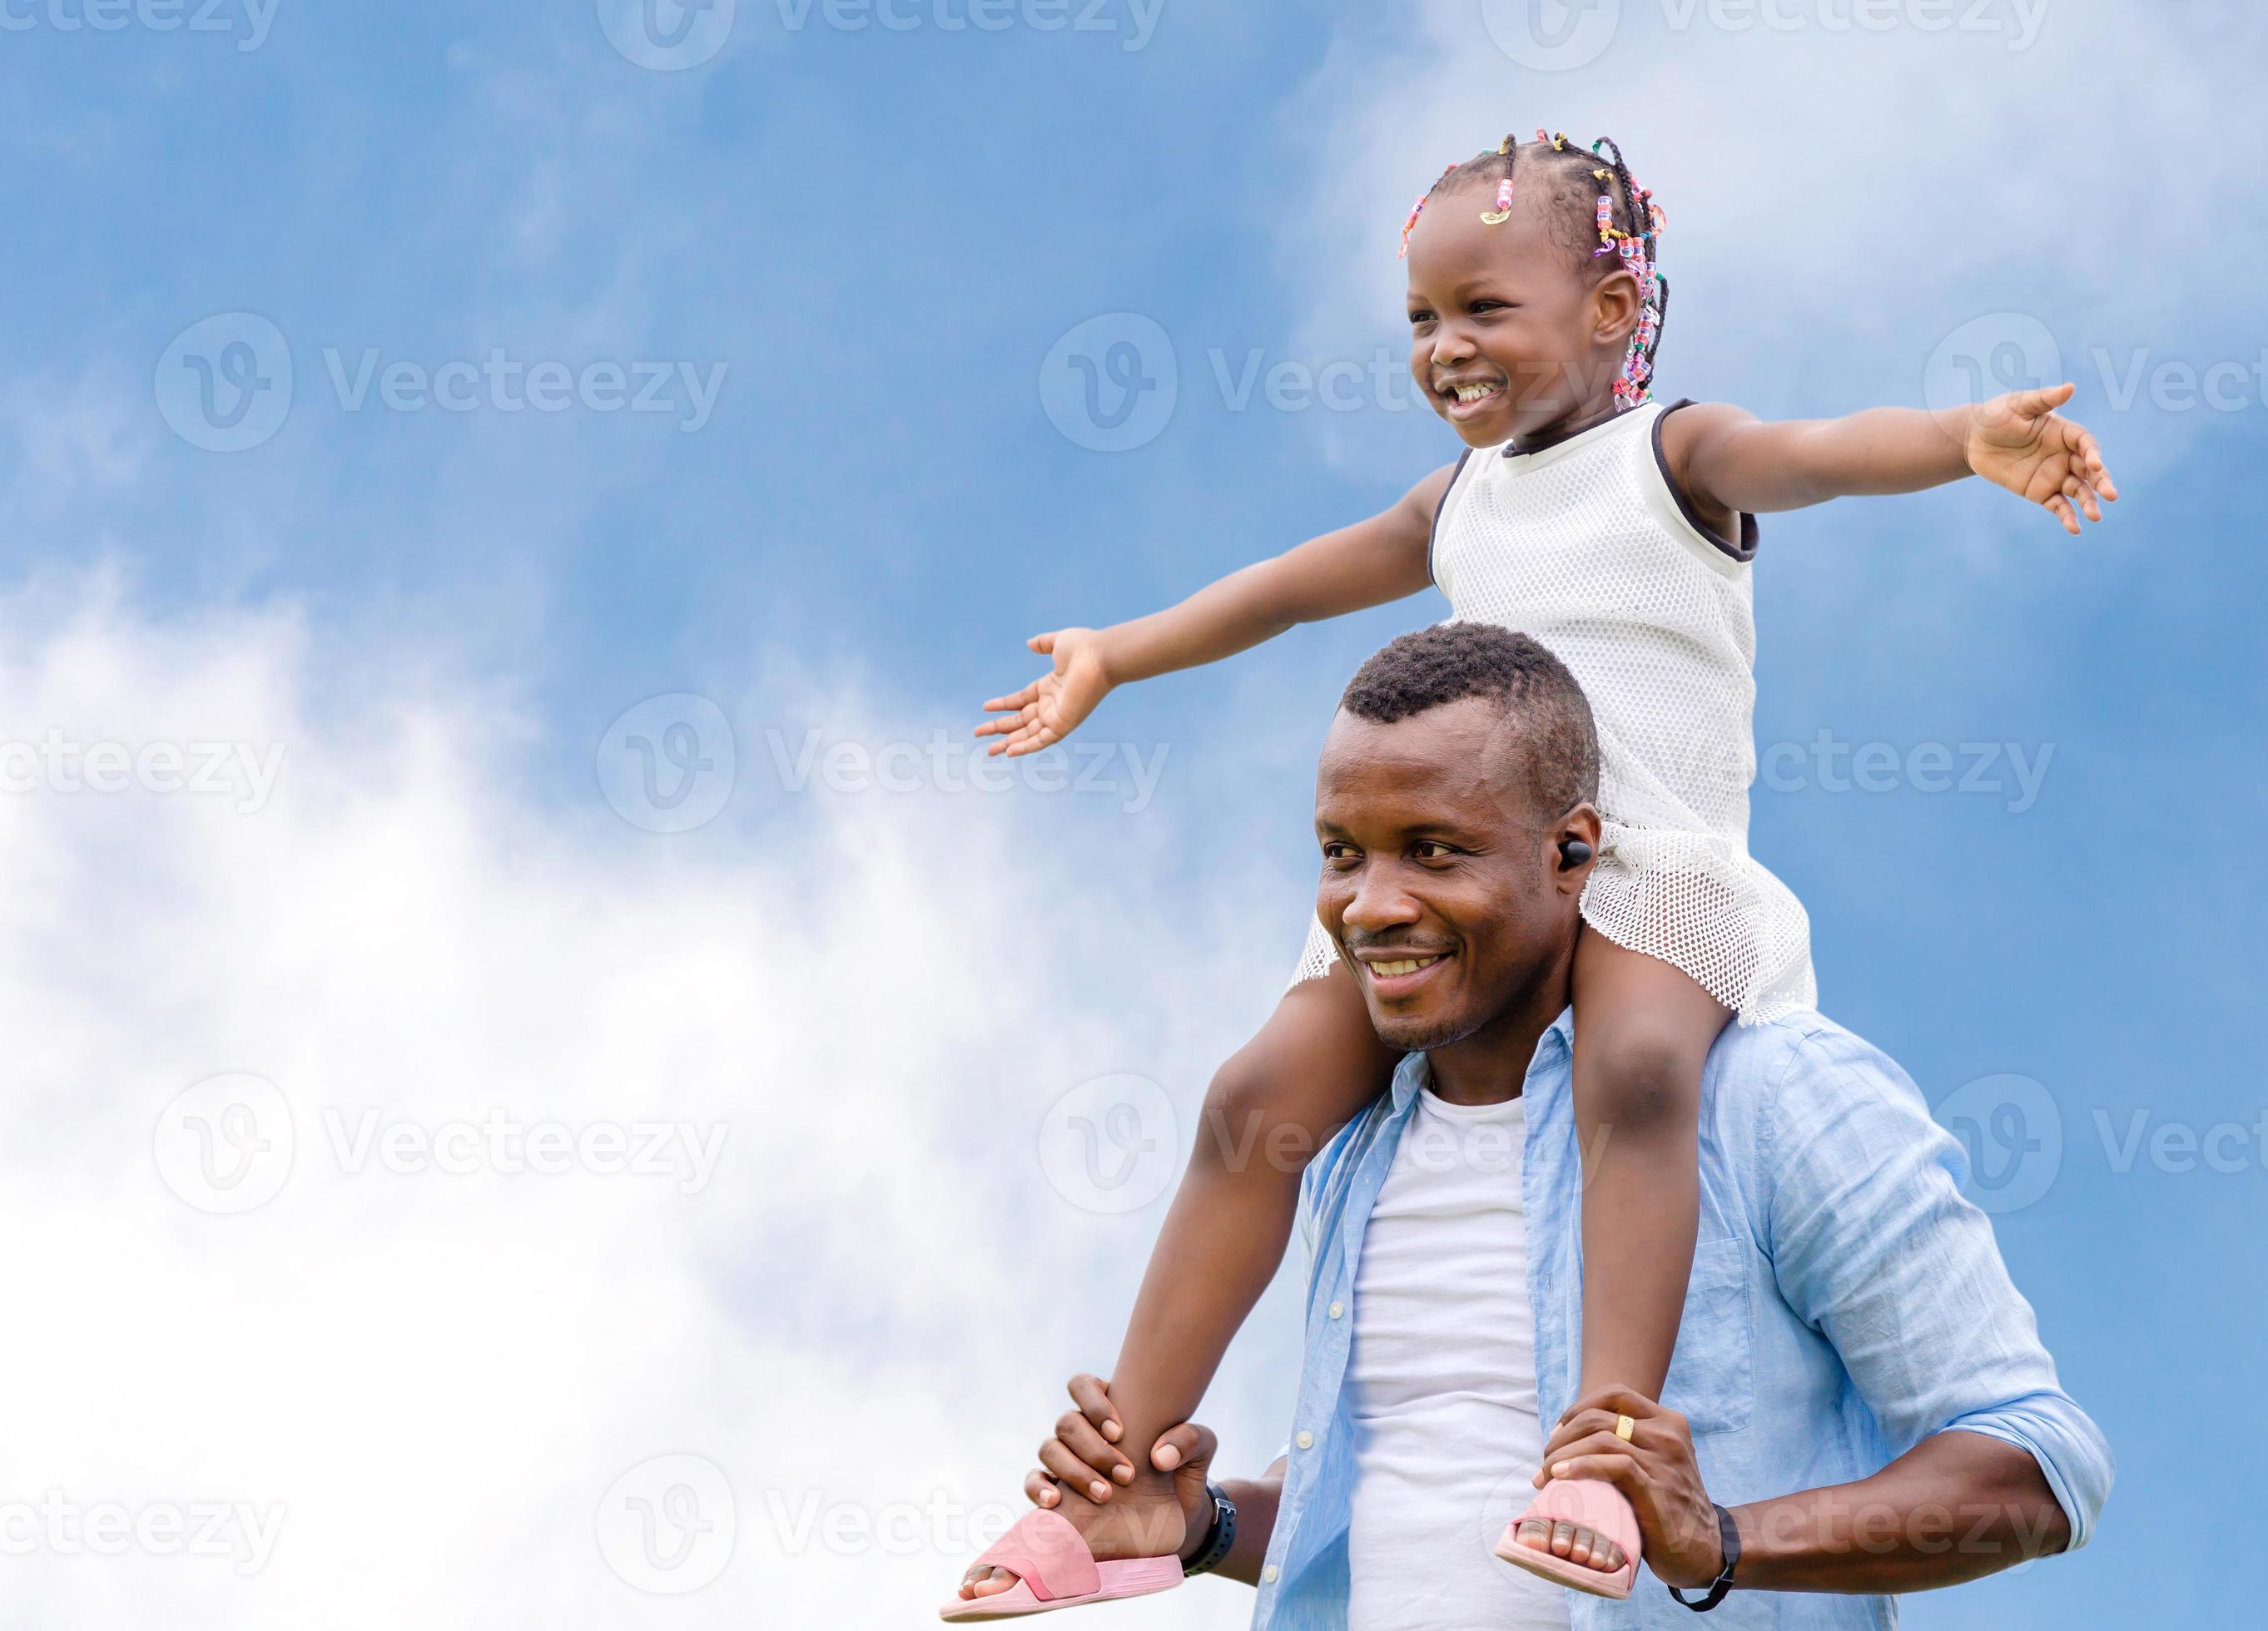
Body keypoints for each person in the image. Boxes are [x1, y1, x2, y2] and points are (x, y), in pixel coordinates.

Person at [964, 127, 2116, 1594]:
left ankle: (1603, 1457)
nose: (1444, 348)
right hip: (1468, 876)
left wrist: (1957, 442)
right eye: (1420, 320)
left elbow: (1816, 456)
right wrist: (1119, 655)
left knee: (1632, 1078)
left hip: (1648, 873)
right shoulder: (1459, 503)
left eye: (1482, 310)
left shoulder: (1673, 458)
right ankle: (1116, 1475)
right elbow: (1290, 585)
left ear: (1613, 313)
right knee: (1254, 1096)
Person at [949, 623, 2111, 1628]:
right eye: (1341, 855)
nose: (1372, 906)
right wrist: (1196, 1524)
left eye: (1435, 851)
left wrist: (1719, 1539)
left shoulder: (1775, 1100)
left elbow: (2040, 1469)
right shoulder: (1354, 1148)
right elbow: (1413, 1533)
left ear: (1571, 853)